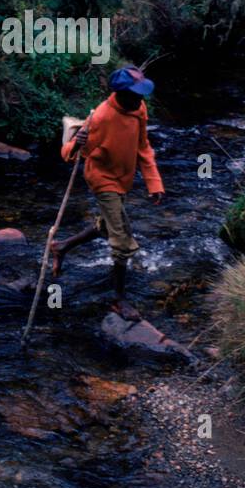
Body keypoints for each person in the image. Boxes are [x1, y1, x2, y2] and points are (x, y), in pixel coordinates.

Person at [51, 65, 164, 316]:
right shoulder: (101, 118)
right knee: (121, 239)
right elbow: (69, 154)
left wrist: (153, 182)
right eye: (135, 95)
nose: (140, 99)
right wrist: (75, 143)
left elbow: (144, 147)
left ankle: (62, 247)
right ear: (121, 94)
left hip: (124, 177)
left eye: (141, 94)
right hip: (102, 179)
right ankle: (119, 300)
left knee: (107, 225)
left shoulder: (139, 108)